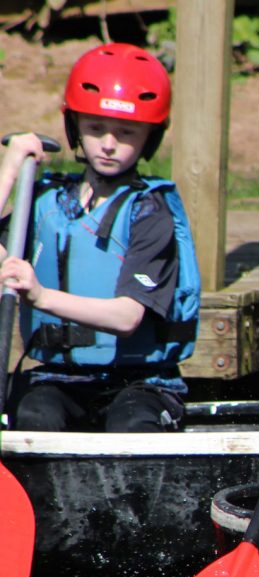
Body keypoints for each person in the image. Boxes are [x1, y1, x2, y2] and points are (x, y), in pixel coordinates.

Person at [0, 42, 199, 433]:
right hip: (58, 377)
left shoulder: (150, 211)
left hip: (142, 383)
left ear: (149, 137)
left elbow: (127, 317)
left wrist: (41, 296)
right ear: (75, 126)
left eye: (126, 132)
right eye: (95, 128)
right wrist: (11, 166)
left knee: (131, 423)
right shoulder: (47, 204)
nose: (108, 144)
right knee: (35, 416)